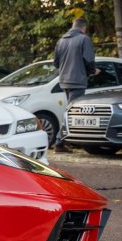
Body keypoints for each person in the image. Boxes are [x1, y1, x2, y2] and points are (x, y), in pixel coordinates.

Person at [51, 17, 99, 152]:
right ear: (84, 28)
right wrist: (92, 71)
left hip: (64, 80)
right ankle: (60, 142)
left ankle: (65, 141)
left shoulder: (61, 41)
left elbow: (56, 63)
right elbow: (89, 60)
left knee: (70, 110)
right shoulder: (84, 39)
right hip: (78, 80)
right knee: (72, 111)